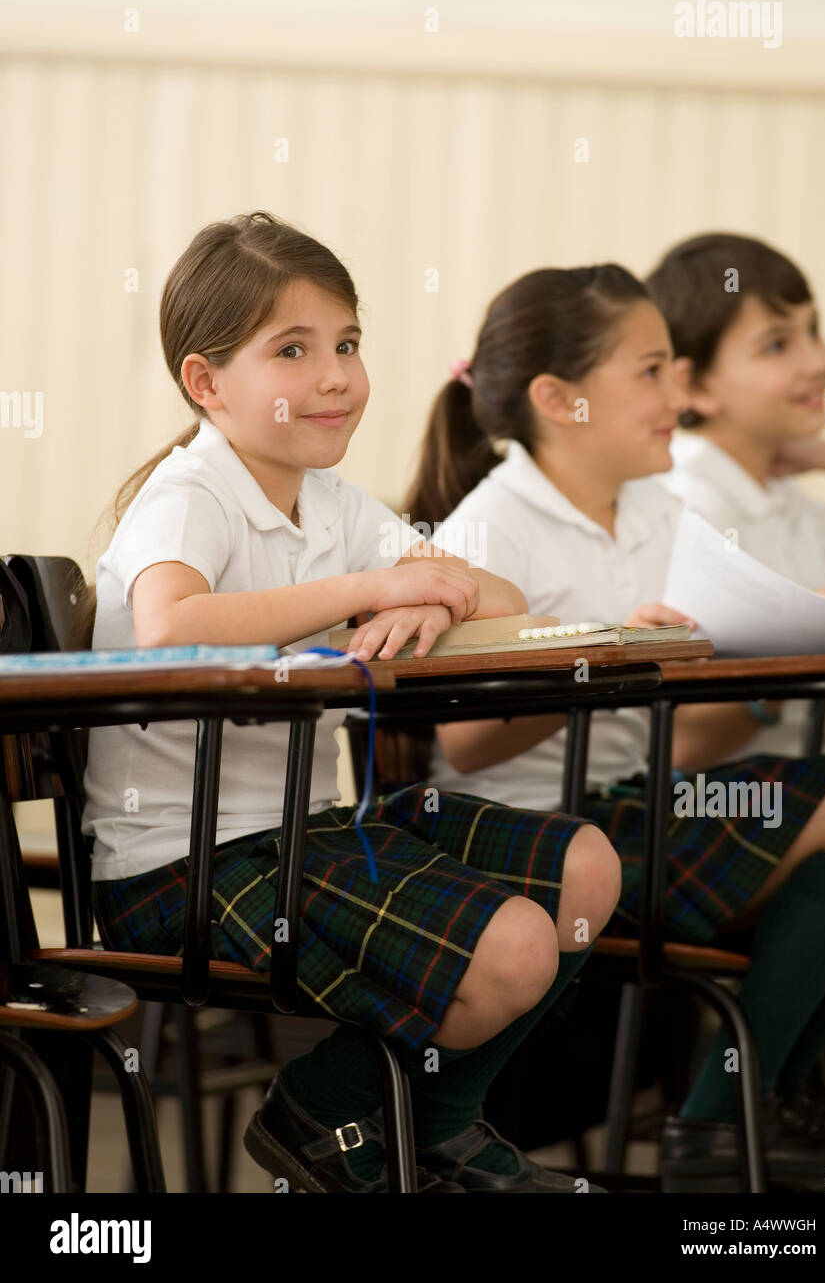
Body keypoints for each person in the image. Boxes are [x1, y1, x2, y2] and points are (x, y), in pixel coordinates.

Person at [80, 211, 621, 1194]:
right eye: (292, 350)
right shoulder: (191, 491)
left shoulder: (333, 500)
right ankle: (326, 1110)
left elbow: (495, 597)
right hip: (180, 864)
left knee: (580, 871)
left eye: (347, 344)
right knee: (508, 947)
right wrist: (370, 589)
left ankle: (430, 1129)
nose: (334, 375)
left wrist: (438, 585)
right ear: (207, 383)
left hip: (304, 831)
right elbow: (169, 623)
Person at [405, 262, 825, 1191]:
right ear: (559, 400)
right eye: (650, 373)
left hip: (634, 801)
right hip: (530, 833)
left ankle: (762, 1098)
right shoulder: (492, 527)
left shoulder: (663, 508)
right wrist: (606, 661)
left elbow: (719, 666)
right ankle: (721, 1119)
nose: (676, 396)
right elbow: (463, 744)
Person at [646, 231, 825, 768]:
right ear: (694, 384)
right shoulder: (684, 505)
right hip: (740, 799)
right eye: (777, 344)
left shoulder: (785, 497)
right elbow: (677, 746)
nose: (817, 361)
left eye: (813, 330)